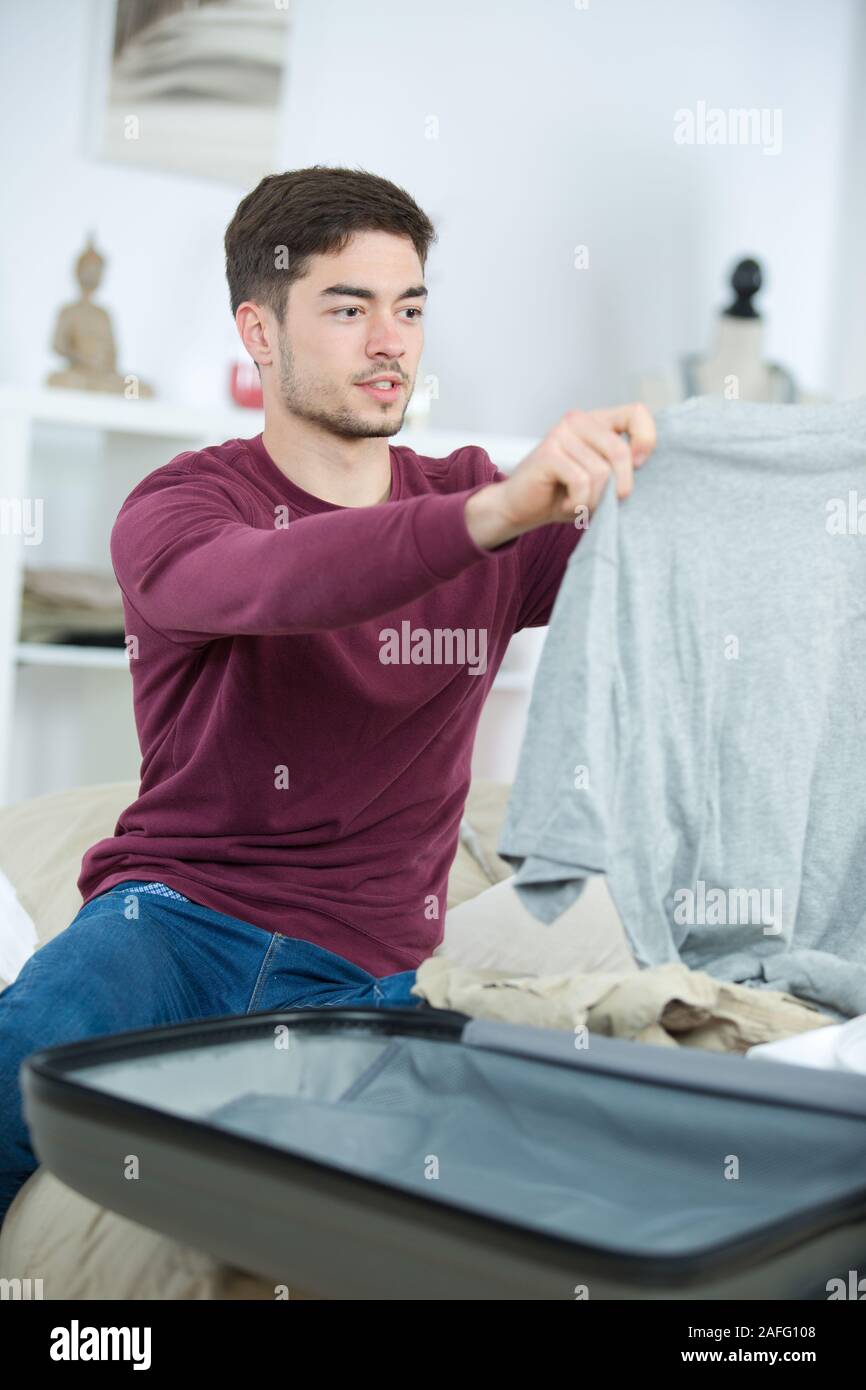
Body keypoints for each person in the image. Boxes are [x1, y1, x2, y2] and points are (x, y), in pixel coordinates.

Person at [0, 165, 655, 1225]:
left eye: (407, 308)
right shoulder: (179, 506)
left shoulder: (475, 499)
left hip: (371, 975)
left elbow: (660, 572)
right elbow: (281, 577)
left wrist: (683, 469)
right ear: (258, 333)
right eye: (347, 309)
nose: (388, 340)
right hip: (168, 927)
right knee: (21, 1057)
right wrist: (490, 517)